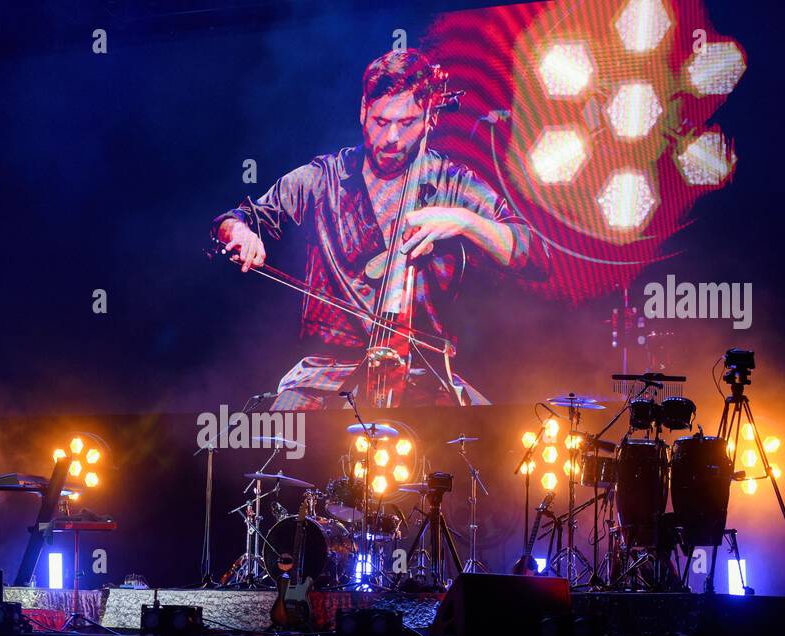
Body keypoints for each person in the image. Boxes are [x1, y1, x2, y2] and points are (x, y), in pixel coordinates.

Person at [212, 49, 549, 409]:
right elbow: (237, 218)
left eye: (407, 123)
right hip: (326, 376)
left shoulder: (453, 184)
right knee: (283, 440)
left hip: (423, 374)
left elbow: (534, 255)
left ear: (429, 119)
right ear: (363, 110)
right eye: (380, 121)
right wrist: (240, 233)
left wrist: (464, 221)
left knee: (487, 439)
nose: (391, 137)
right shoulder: (322, 180)